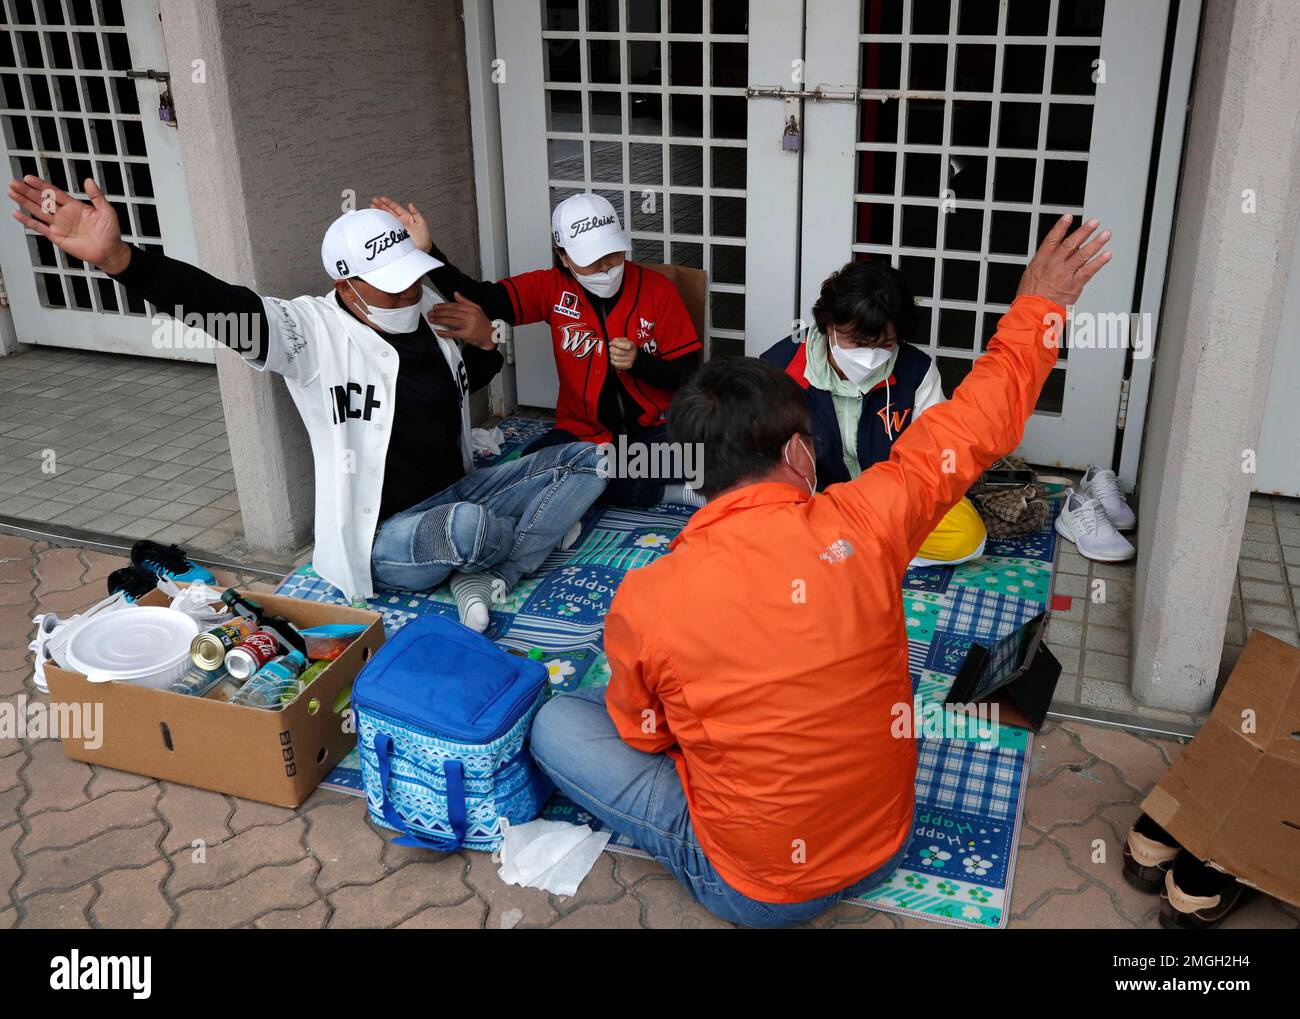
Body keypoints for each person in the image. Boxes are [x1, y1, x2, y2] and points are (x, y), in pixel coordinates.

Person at [529, 216, 1112, 927]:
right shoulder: (868, 521)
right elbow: (979, 422)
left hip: (757, 890)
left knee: (561, 719)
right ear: (801, 455)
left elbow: (647, 735)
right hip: (883, 843)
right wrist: (1040, 306)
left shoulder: (647, 595)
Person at [8, 175, 606, 631]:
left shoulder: (426, 310)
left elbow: (457, 387)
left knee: (589, 459)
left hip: (458, 490)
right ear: (346, 285)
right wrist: (122, 262)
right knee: (471, 526)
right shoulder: (308, 333)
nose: (406, 287)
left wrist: (485, 343)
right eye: (389, 277)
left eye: (411, 273)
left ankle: (492, 570)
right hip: (387, 536)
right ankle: (505, 549)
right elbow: (223, 304)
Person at [370, 192, 704, 507]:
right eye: (592, 259)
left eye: (613, 254)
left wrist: (640, 362)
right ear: (563, 256)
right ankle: (656, 491)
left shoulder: (657, 290)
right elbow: (483, 299)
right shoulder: (551, 288)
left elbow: (690, 375)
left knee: (709, 453)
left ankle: (590, 492)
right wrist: (429, 252)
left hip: (653, 431)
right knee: (532, 472)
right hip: (583, 435)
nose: (606, 267)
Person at [762, 260, 987, 566]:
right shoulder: (779, 370)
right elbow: (760, 462)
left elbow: (936, 459)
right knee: (766, 522)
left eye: (886, 344)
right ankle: (865, 549)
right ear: (828, 324)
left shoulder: (917, 371)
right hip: (816, 501)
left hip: (889, 502)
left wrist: (888, 500)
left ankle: (843, 551)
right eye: (856, 342)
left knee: (966, 538)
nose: (870, 355)